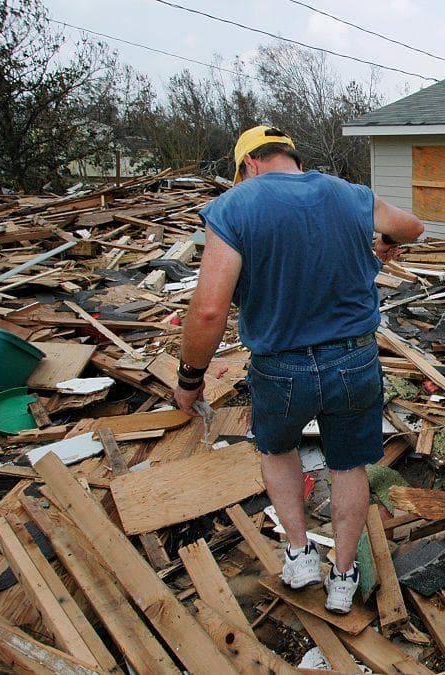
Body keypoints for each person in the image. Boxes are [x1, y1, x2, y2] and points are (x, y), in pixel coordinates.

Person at [173, 125, 423, 614]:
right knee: (348, 466)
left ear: (249, 164)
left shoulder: (234, 206)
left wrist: (189, 378)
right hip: (354, 359)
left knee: (278, 450)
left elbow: (208, 311)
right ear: (291, 157)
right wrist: (387, 239)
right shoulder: (349, 194)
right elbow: (412, 227)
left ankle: (300, 552)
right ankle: (344, 576)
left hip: (280, 367)